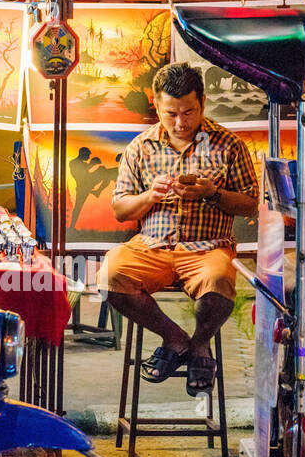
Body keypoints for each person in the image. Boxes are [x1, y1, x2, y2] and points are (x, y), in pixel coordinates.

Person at [101, 62, 258, 397]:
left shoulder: (229, 145)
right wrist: (149, 196)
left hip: (209, 247)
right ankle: (175, 339)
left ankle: (200, 346)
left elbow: (251, 203)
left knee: (218, 284)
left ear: (202, 102)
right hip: (152, 246)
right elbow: (119, 209)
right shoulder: (140, 147)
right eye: (170, 113)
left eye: (189, 111)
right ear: (156, 105)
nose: (180, 122)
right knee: (111, 275)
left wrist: (212, 194)